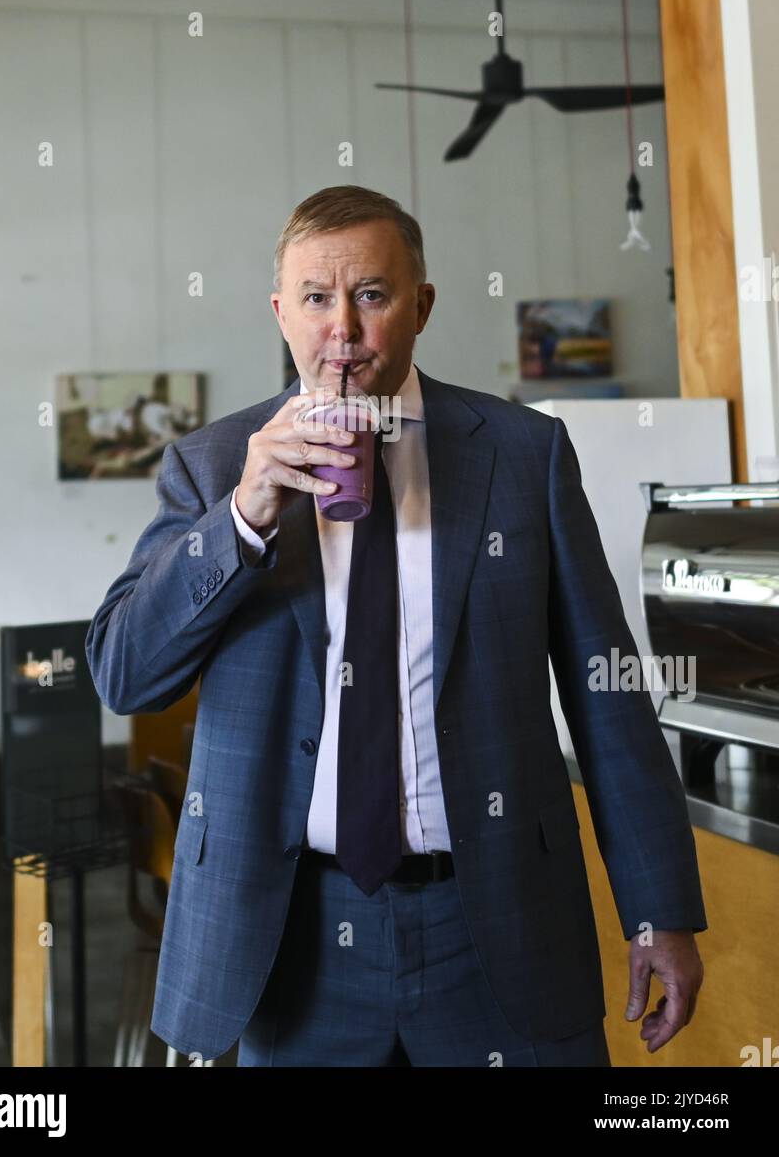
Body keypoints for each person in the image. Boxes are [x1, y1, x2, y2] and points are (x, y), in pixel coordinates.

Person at [86, 184, 706, 1067]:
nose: (343, 326)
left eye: (372, 294)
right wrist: (242, 520)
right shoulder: (214, 464)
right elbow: (123, 673)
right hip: (291, 934)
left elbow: (607, 695)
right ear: (281, 313)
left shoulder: (523, 454)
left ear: (421, 305)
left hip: (497, 923)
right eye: (315, 298)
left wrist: (661, 909)